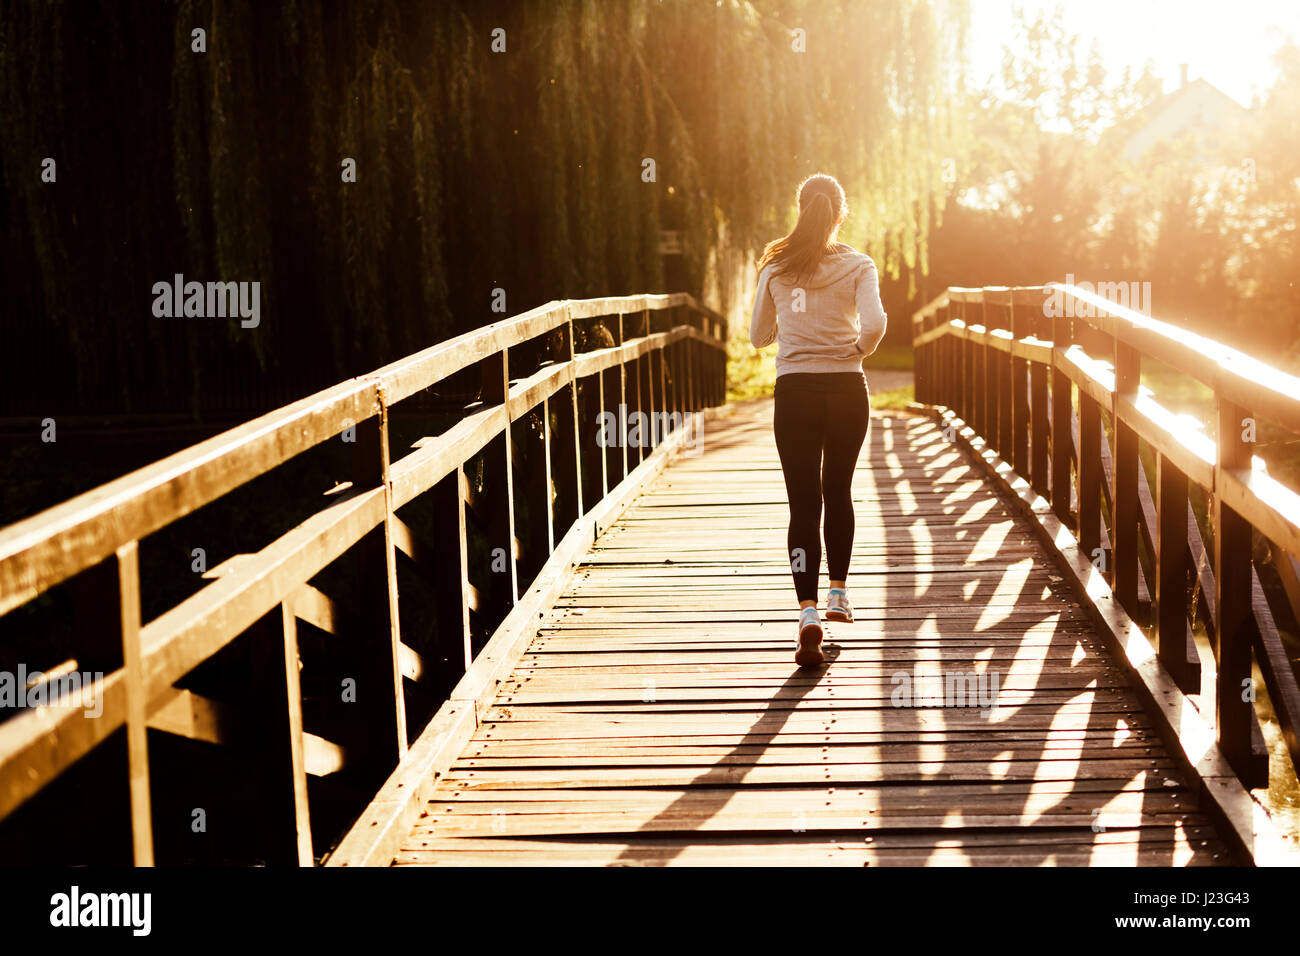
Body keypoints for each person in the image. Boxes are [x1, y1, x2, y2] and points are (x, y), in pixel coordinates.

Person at [749, 173, 887, 667]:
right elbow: (873, 325)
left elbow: (759, 336)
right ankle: (838, 595)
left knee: (803, 503)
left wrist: (792, 327)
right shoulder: (859, 265)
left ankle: (807, 615)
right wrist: (854, 350)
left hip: (796, 392)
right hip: (847, 390)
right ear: (840, 213)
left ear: (800, 207)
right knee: (839, 491)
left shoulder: (775, 267)